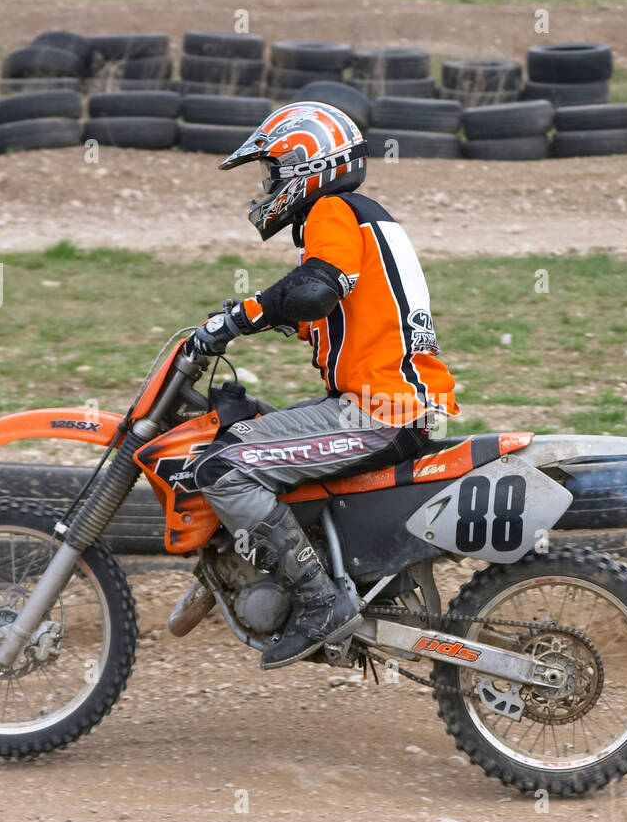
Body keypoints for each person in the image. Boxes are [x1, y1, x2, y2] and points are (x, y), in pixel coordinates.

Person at [187, 101, 459, 669]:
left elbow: (315, 290)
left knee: (222, 467)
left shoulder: (331, 213)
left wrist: (239, 317)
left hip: (380, 412)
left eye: (272, 174)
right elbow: (324, 302)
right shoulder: (364, 217)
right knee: (250, 429)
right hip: (390, 404)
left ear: (303, 165)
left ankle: (317, 603)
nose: (266, 189)